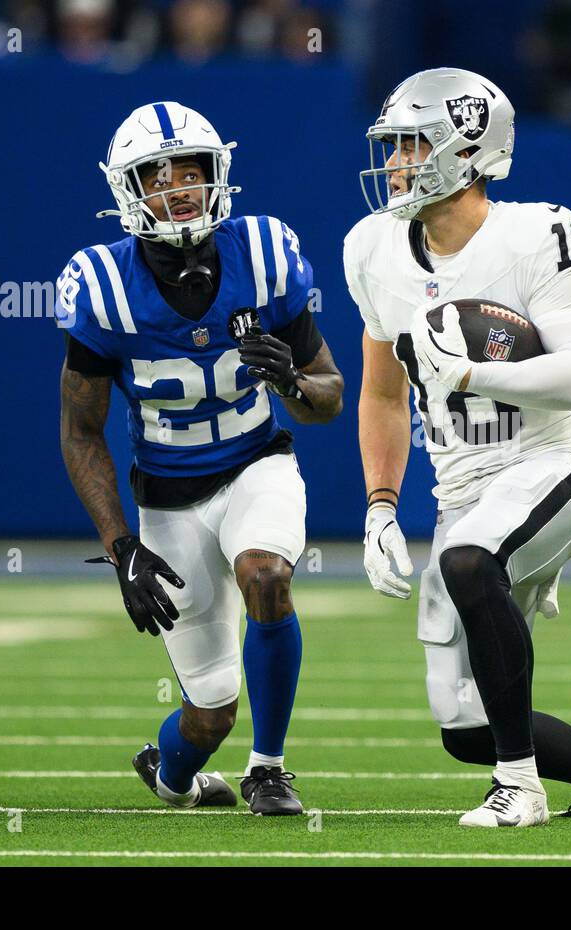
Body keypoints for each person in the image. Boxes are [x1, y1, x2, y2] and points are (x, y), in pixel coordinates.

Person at [345, 68, 571, 827]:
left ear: (464, 152)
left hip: (556, 465)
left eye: (411, 144)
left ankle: (521, 791)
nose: (395, 161)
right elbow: (380, 394)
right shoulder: (372, 249)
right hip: (462, 492)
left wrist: (471, 370)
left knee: (468, 561)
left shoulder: (535, 233)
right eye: (394, 144)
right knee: (468, 728)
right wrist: (379, 506)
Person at [55, 102, 342, 815]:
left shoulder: (265, 254)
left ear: (219, 176)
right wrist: (120, 547)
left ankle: (268, 769)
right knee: (209, 712)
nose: (179, 187)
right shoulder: (102, 286)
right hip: (167, 499)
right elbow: (82, 430)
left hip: (256, 464)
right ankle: (171, 771)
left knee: (266, 575)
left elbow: (329, 398)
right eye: (158, 174)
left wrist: (291, 380)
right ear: (129, 190)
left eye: (192, 170)